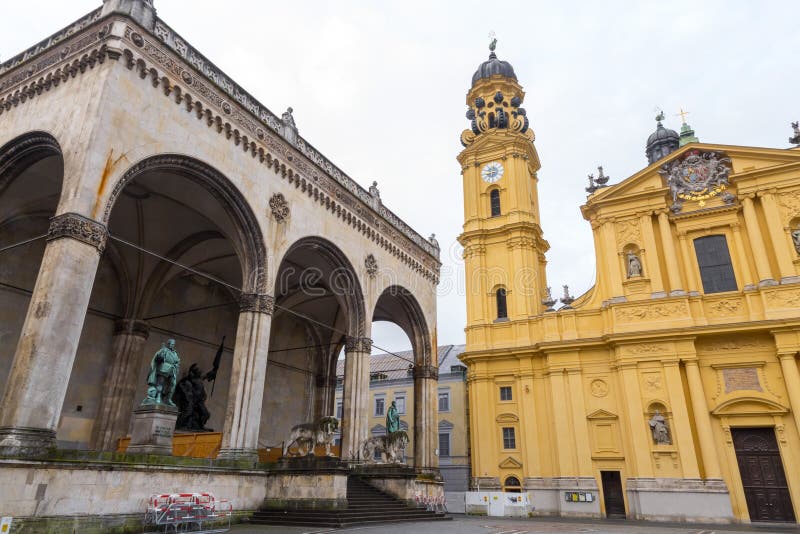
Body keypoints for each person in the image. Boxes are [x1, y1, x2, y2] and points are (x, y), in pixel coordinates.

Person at [145, 339, 180, 406]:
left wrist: (176, 365)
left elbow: (177, 361)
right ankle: (158, 396)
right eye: (170, 344)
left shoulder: (175, 353)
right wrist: (161, 354)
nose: (171, 345)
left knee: (173, 384)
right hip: (163, 368)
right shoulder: (163, 350)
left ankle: (168, 399)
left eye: (173, 344)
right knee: (160, 383)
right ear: (168, 344)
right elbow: (158, 358)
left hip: (172, 370)